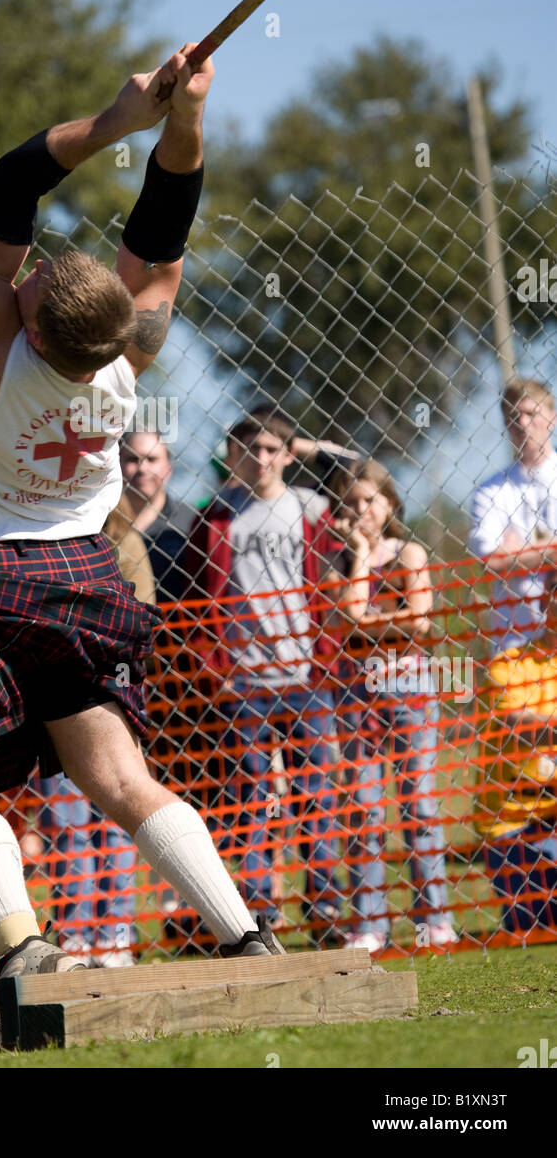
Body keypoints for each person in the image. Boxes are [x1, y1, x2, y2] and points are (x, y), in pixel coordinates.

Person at [0, 43, 286, 1052]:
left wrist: (112, 121)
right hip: (80, 581)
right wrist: (183, 125)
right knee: (119, 777)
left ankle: (20, 949)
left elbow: (3, 194)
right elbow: (162, 236)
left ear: (38, 332)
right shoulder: (128, 351)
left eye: (37, 284)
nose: (31, 271)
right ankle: (243, 936)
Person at [184, 403, 346, 946]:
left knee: (315, 797)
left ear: (287, 452)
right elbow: (195, 602)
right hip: (245, 682)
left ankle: (324, 909)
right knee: (252, 800)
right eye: (249, 449)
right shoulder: (214, 517)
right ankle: (256, 915)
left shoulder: (313, 508)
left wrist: (324, 660)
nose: (260, 459)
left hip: (305, 677)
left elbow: (359, 464)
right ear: (232, 455)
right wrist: (217, 668)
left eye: (272, 448)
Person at [321, 459, 457, 952]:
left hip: (409, 687)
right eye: (352, 502)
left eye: (371, 499)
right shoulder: (339, 559)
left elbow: (420, 623)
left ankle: (434, 917)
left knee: (417, 804)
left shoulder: (409, 552)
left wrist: (371, 623)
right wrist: (359, 556)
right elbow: (348, 617)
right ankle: (371, 923)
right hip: (356, 693)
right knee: (363, 808)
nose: (362, 510)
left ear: (390, 502)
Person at [36, 492, 153, 968]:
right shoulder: (37, 539)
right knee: (66, 827)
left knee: (118, 820)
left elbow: (142, 618)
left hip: (111, 694)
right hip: (50, 700)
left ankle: (115, 936)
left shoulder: (124, 541)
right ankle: (76, 936)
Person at [476, 569, 557, 938]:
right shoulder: (508, 665)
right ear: (545, 603)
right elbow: (520, 727)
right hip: (514, 824)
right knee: (536, 929)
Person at [469, 379, 557, 651]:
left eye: (532, 413)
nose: (522, 422)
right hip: (515, 640)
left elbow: (503, 559)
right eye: (513, 415)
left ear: (552, 418)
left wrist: (517, 553)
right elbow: (491, 561)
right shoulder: (489, 491)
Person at [120, 431, 199, 604]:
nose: (142, 468)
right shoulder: (100, 523)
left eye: (152, 459)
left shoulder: (192, 521)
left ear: (168, 468)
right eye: (132, 459)